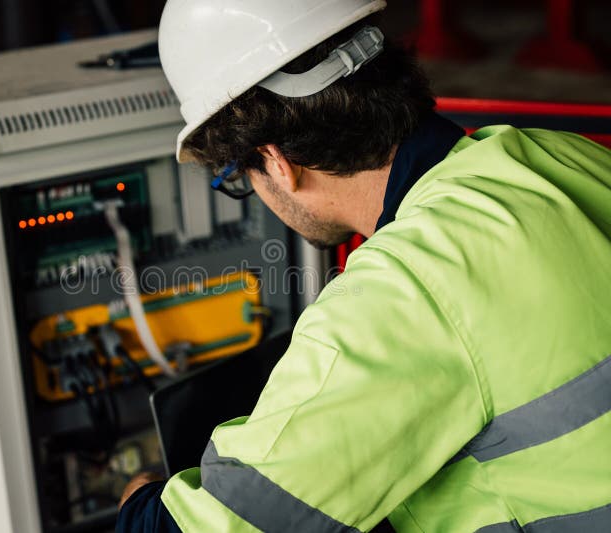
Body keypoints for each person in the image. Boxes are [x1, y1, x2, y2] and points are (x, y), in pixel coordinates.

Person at [117, 0, 611, 531]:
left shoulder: (403, 292)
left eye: (240, 176)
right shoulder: (563, 156)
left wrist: (137, 501)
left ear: (277, 164)